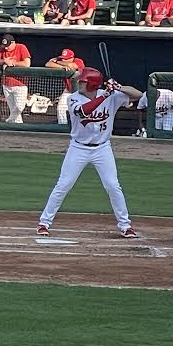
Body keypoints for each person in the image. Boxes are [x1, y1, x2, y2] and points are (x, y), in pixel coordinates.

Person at [38, 67, 142, 237]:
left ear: (92, 84)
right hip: (78, 148)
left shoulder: (111, 95)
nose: (79, 83)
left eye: (83, 81)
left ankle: (125, 225)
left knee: (113, 185)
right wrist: (106, 95)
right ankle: (44, 223)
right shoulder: (73, 98)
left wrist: (119, 87)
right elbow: (83, 111)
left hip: (102, 148)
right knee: (64, 184)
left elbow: (138, 95)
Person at [0, 34, 32, 124]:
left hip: (20, 83)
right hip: (6, 83)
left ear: (13, 42)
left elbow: (27, 64)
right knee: (13, 109)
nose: (6, 48)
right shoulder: (3, 49)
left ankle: (9, 121)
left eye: (8, 45)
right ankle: (18, 127)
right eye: (5, 46)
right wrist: (4, 61)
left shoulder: (21, 47)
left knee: (19, 107)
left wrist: (13, 63)